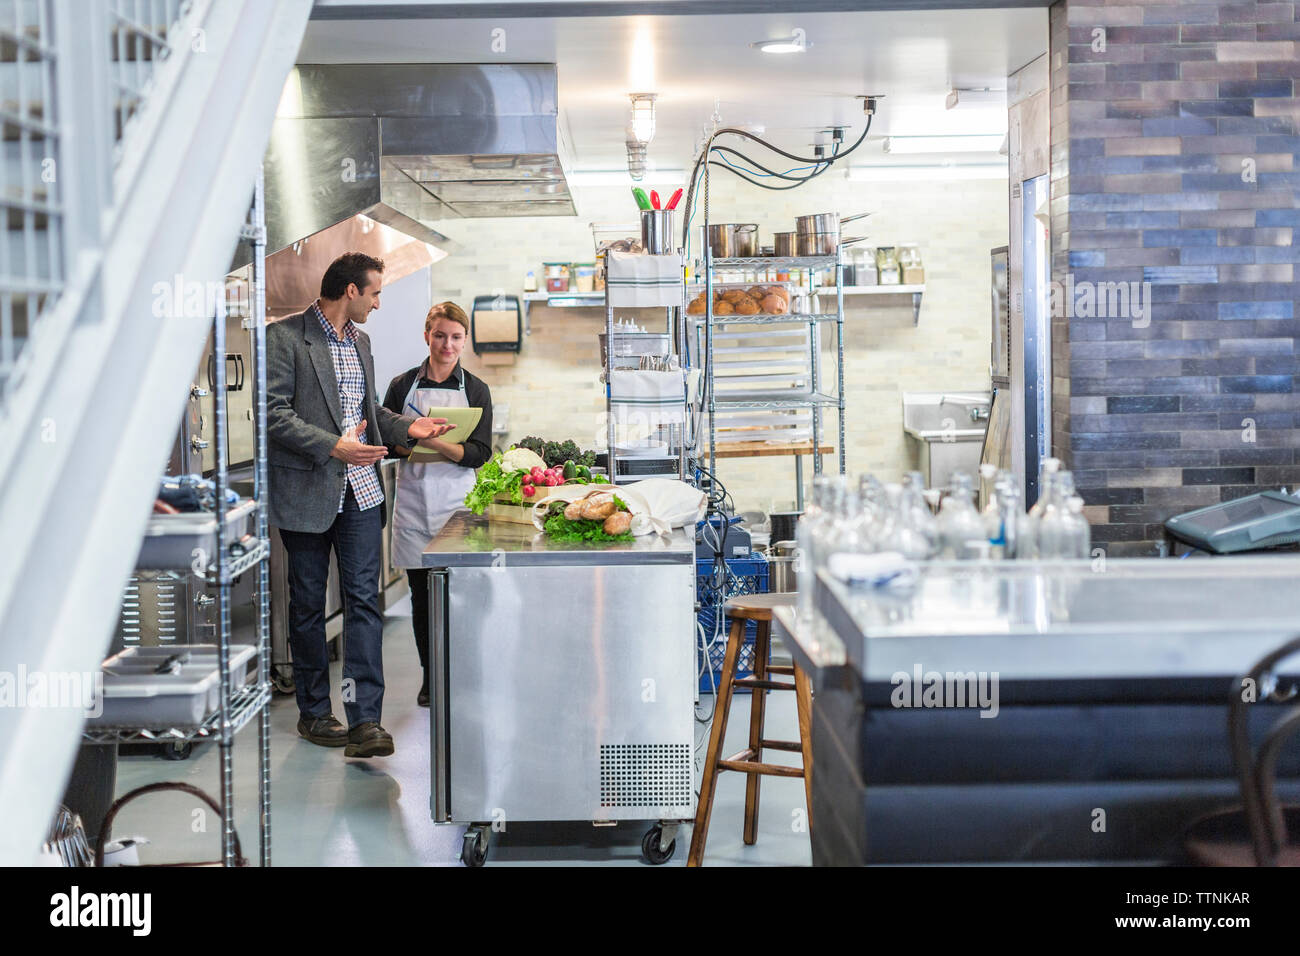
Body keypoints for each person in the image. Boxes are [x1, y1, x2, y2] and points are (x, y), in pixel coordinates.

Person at [267, 252, 452, 758]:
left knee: (364, 604)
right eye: (374, 292)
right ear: (350, 290)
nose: (378, 301)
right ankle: (314, 713)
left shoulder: (361, 343)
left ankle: (365, 720)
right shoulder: (285, 338)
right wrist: (333, 446)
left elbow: (368, 413)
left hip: (363, 494)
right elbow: (272, 416)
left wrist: (407, 427)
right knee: (307, 608)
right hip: (307, 492)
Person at [383, 302, 493, 707]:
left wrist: (429, 440)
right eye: (440, 335)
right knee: (422, 599)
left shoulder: (476, 389)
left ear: (465, 341)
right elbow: (386, 442)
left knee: (461, 596)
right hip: (413, 503)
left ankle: (462, 672)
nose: (448, 344)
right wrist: (416, 441)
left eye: (456, 337)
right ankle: (431, 678)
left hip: (457, 505)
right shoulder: (401, 386)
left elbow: (480, 453)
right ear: (427, 335)